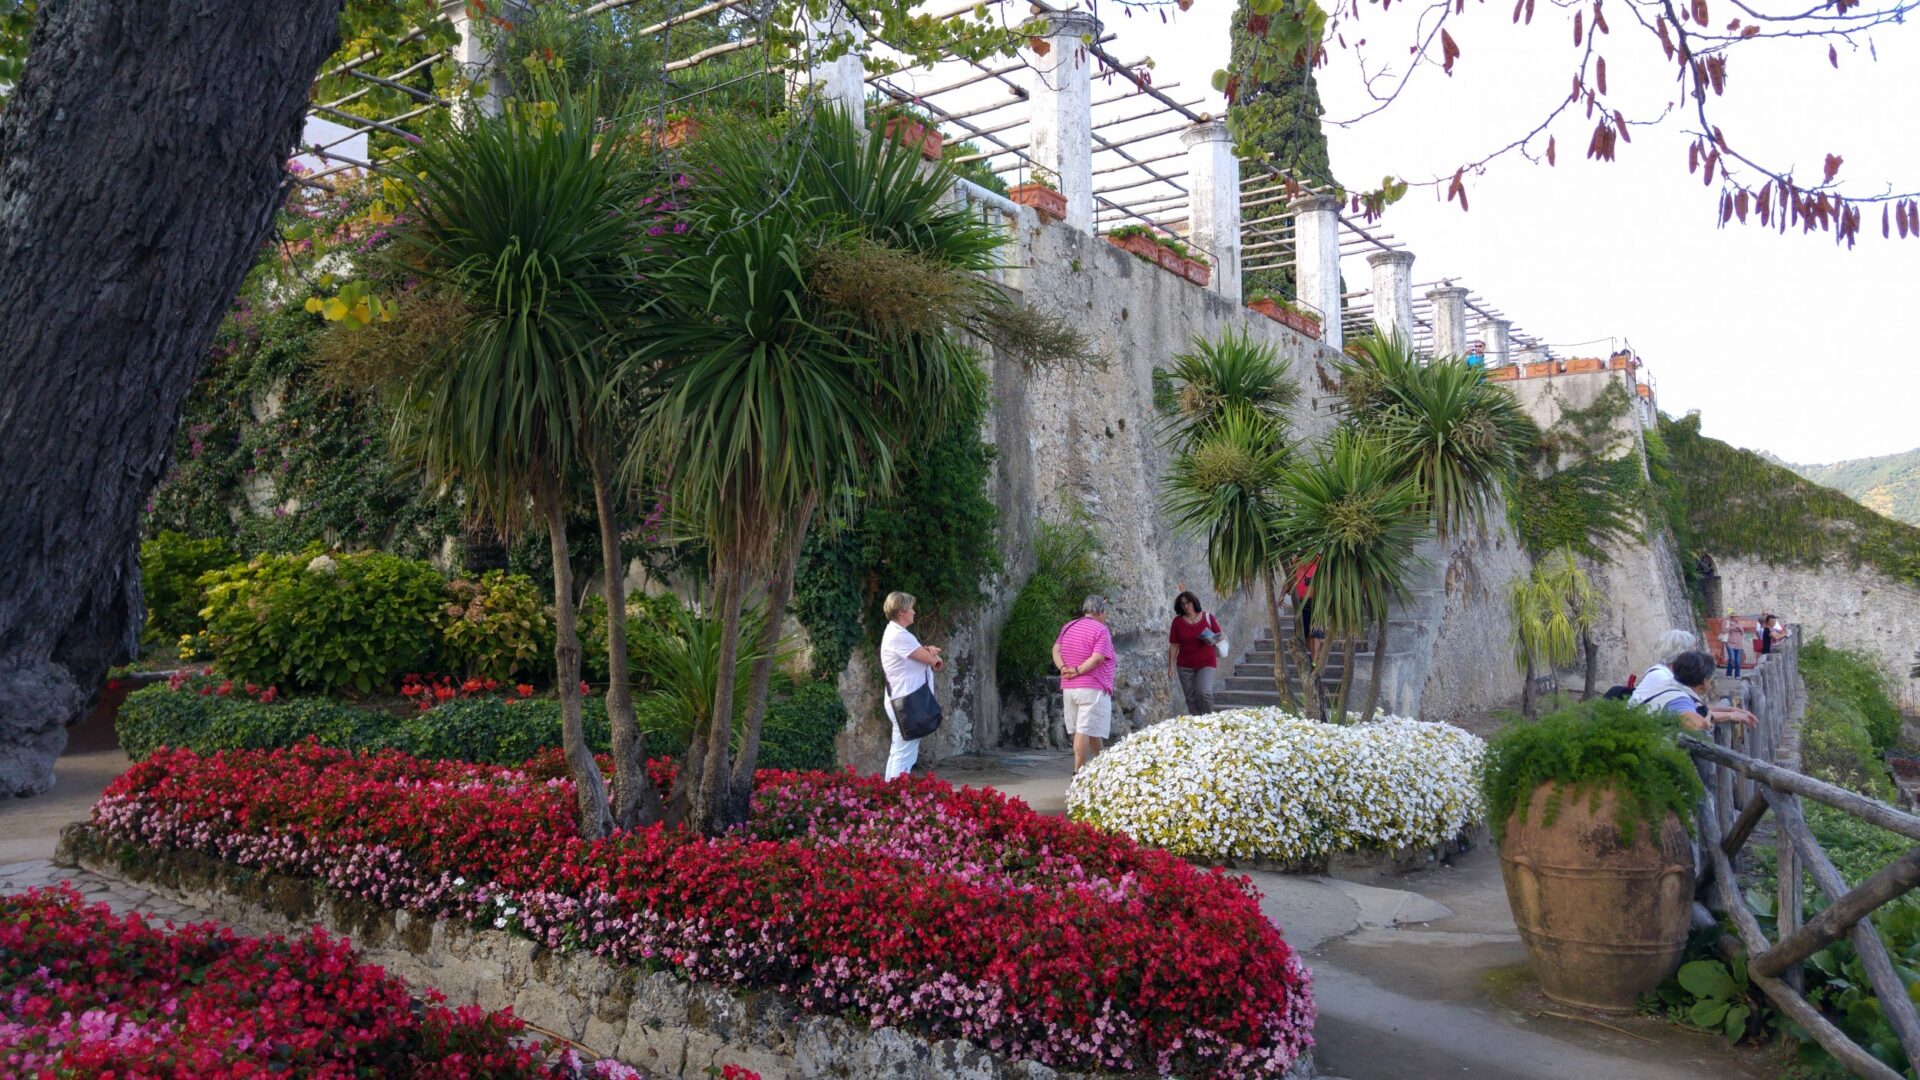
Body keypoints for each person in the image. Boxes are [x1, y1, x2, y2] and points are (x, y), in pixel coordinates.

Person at [879, 590, 942, 782]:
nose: (914, 612)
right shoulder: (900, 636)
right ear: (902, 611)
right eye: (911, 608)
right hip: (907, 702)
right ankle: (896, 794)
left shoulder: (897, 634)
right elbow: (931, 660)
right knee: (904, 755)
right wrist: (932, 655)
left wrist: (928, 651)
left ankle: (889, 792)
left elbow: (919, 654)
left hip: (904, 700)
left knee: (899, 751)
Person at [1053, 595, 1117, 773]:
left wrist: (1063, 668)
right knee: (1084, 730)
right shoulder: (1101, 630)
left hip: (1069, 687)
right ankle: (1078, 772)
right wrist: (1078, 670)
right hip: (1092, 687)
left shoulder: (1068, 626)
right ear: (1100, 612)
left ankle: (1102, 767)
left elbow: (1056, 649)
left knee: (1090, 729)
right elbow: (1097, 657)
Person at [1640, 650, 1757, 733]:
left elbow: (1698, 708)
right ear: (1705, 681)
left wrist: (1729, 710)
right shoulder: (1680, 699)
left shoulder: (1670, 686)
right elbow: (1694, 722)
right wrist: (1708, 720)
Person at [1167, 590, 1221, 715]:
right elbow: (1174, 645)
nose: (1186, 606)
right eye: (1183, 604)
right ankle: (1197, 723)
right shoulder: (1177, 622)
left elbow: (1220, 635)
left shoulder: (1208, 617)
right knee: (1191, 698)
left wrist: (1211, 639)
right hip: (1185, 666)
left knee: (1204, 692)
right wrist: (1171, 666)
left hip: (1206, 662)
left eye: (1188, 602)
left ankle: (1211, 719)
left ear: (1194, 602)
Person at [1629, 628, 1699, 706]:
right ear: (1681, 653)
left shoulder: (1668, 673)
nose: (1695, 659)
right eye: (1693, 654)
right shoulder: (1661, 675)